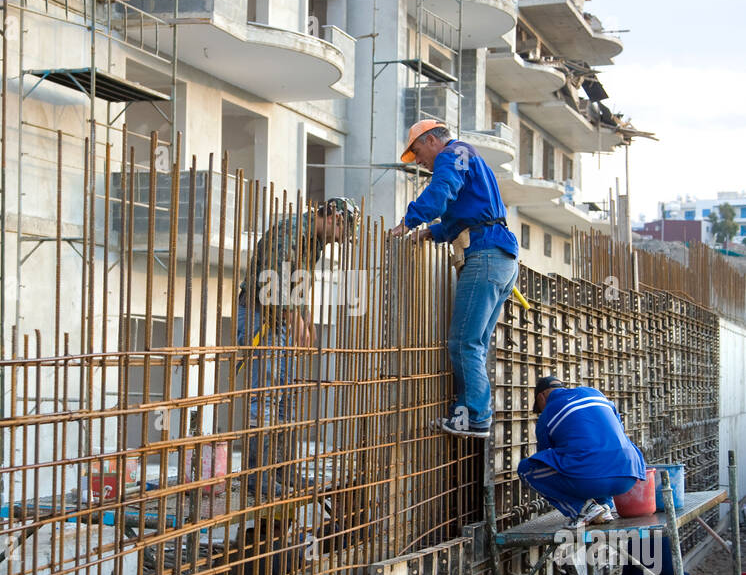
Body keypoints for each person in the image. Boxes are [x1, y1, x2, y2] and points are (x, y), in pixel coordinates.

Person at [390, 120, 519, 438]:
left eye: (418, 151)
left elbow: (441, 190)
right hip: (502, 256)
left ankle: (476, 416)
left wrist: (408, 221)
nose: (419, 161)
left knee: (463, 342)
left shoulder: (453, 153)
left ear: (432, 141)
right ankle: (467, 414)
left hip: (486, 255)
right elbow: (462, 212)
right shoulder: (469, 159)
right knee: (474, 344)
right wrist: (430, 232)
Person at [236, 197, 359, 500]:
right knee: (265, 396)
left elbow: (298, 283)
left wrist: (305, 317)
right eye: (345, 233)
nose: (342, 241)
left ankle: (282, 469)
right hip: (261, 317)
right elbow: (273, 281)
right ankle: (257, 475)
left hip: (282, 318)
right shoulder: (288, 232)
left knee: (287, 395)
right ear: (335, 219)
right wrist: (295, 319)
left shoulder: (313, 242)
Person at [518, 375, 647, 526]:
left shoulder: (547, 413)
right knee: (596, 453)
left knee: (527, 469)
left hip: (591, 479)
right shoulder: (595, 394)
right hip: (630, 475)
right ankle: (604, 507)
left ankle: (582, 509)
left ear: (541, 397)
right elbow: (618, 430)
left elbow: (545, 457)